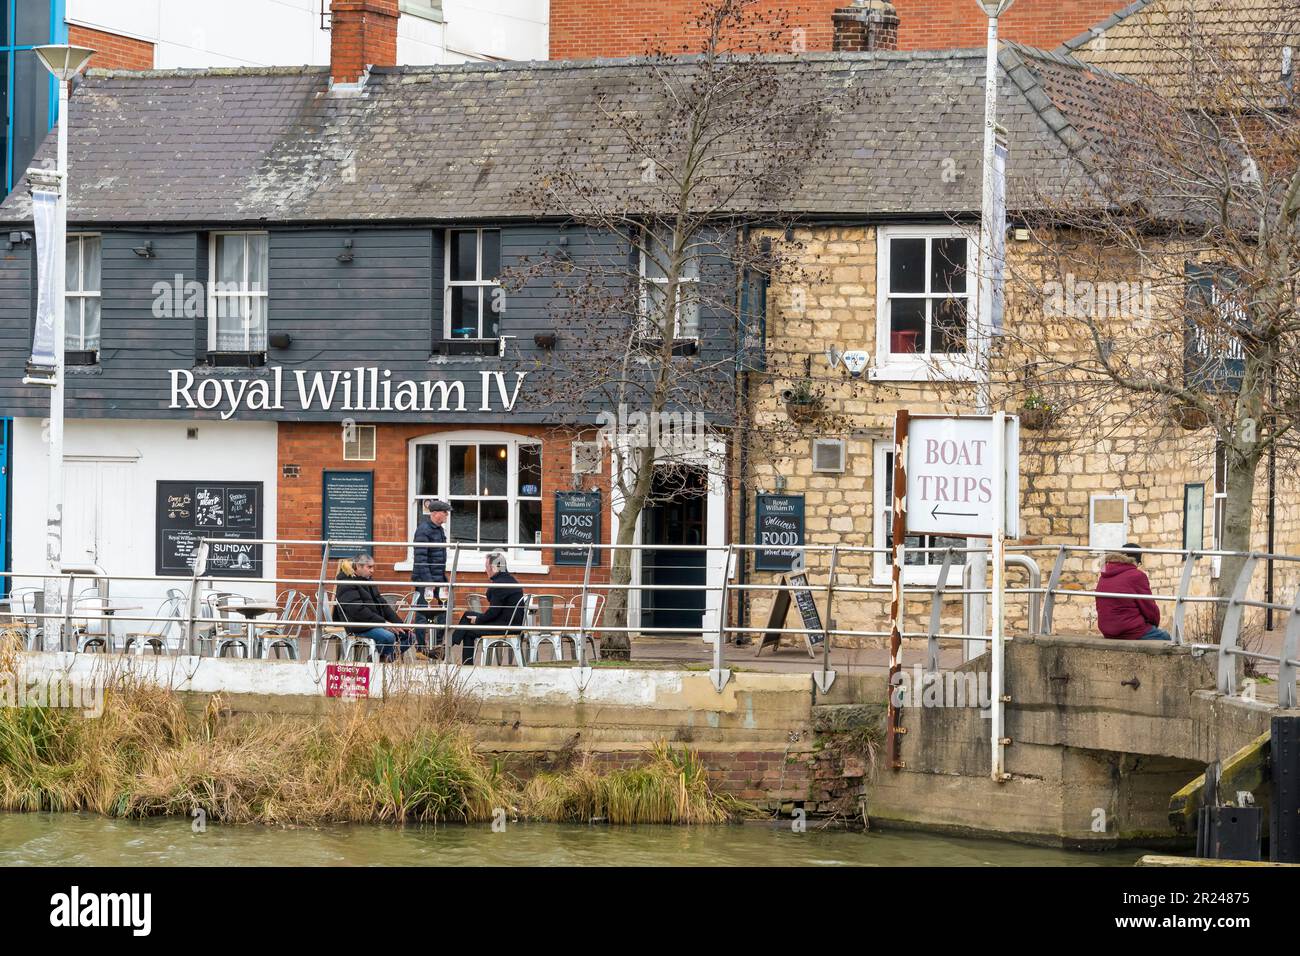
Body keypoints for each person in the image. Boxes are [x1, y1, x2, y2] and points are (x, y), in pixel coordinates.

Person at [333, 553, 421, 662]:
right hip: (358, 626)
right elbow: (358, 611)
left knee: (409, 636)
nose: (372, 570)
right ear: (358, 566)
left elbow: (383, 606)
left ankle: (380, 660)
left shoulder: (368, 581)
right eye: (369, 567)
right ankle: (378, 662)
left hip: (374, 623)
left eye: (373, 567)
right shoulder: (346, 583)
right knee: (388, 637)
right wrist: (383, 623)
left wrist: (400, 624)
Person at [451, 550, 526, 664]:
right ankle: (445, 648)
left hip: (504, 626)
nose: (485, 570)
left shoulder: (499, 585)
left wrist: (478, 619)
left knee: (469, 632)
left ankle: (463, 663)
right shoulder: (512, 581)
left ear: (493, 567)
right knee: (467, 615)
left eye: (486, 567)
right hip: (511, 624)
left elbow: (493, 612)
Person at [1096, 543, 1171, 641]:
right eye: (1139, 564)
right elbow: (1149, 608)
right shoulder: (1137, 575)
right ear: (1136, 561)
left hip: (1107, 631)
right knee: (1165, 637)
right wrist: (1152, 625)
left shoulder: (1104, 574)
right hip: (1129, 631)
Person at [413, 499, 452, 653]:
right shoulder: (423, 530)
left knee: (446, 609)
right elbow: (420, 558)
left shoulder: (439, 529)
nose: (447, 515)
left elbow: (439, 557)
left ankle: (436, 645)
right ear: (435, 513)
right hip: (425, 579)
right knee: (422, 612)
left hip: (438, 577)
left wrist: (442, 579)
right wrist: (429, 581)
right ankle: (421, 648)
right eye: (445, 512)